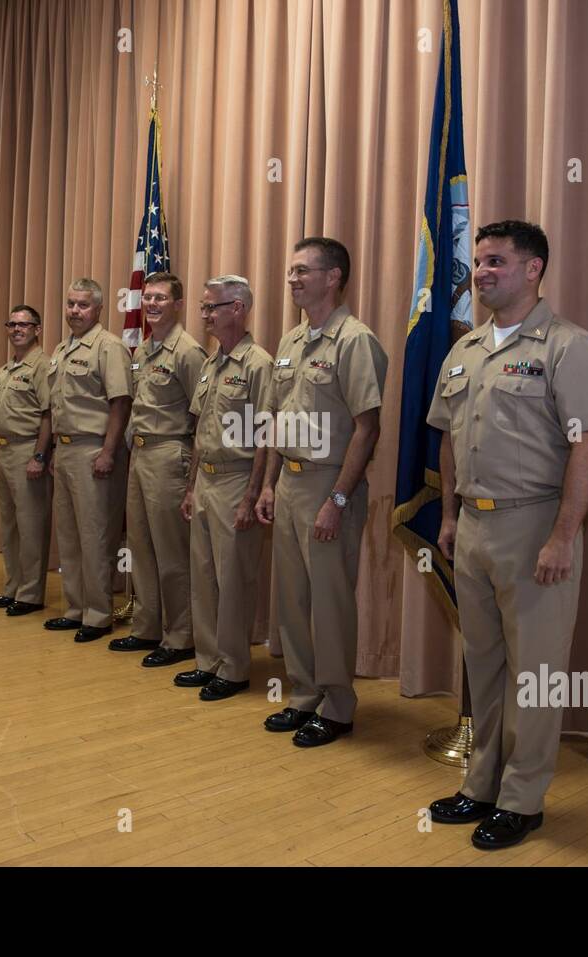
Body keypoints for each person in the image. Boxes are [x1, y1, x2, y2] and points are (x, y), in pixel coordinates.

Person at [424, 220, 588, 850]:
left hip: (535, 526)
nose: (481, 272)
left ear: (533, 269)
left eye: (496, 262)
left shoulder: (569, 346)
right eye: (478, 262)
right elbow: (449, 437)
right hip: (473, 526)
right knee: (484, 667)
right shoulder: (466, 349)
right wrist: (450, 516)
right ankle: (481, 784)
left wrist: (565, 535)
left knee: (534, 673)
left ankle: (523, 799)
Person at [255, 237, 388, 747]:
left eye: (302, 271)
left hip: (327, 486)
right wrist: (268, 484)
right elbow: (271, 421)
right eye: (290, 271)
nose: (292, 279)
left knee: (329, 602)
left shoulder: (355, 341)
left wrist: (337, 499)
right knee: (293, 600)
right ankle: (304, 694)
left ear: (333, 277)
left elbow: (367, 428)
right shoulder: (291, 342)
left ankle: (337, 705)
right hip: (287, 481)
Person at [173, 276, 272, 701]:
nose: (206, 315)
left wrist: (252, 495)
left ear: (239, 308)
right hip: (207, 478)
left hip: (237, 478)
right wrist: (191, 486)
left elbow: (267, 435)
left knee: (234, 579)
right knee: (204, 576)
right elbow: (199, 431)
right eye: (203, 308)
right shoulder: (212, 363)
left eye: (213, 307)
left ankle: (233, 667)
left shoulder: (258, 363)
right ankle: (207, 660)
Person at [110, 272, 208, 667]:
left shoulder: (188, 351)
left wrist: (192, 473)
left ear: (178, 304)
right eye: (147, 298)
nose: (151, 304)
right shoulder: (145, 349)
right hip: (141, 454)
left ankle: (181, 635)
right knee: (141, 547)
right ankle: (147, 626)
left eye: (161, 298)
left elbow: (201, 415)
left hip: (171, 454)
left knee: (171, 552)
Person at [43, 280, 132, 642]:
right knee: (70, 535)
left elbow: (120, 402)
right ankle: (76, 607)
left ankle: (98, 615)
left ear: (97, 309)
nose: (74, 311)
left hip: (93, 450)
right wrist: (52, 451)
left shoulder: (108, 347)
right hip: (65, 450)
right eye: (70, 304)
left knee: (95, 537)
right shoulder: (63, 348)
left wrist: (109, 452)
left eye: (82, 305)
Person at [0, 304, 53, 616]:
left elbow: (48, 414)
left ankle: (30, 594)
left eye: (24, 325)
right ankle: (12, 586)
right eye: (11, 324)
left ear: (37, 329)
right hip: (5, 451)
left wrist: (39, 456)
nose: (17, 330)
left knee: (31, 526)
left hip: (28, 451)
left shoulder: (42, 366)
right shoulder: (6, 368)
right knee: (10, 526)